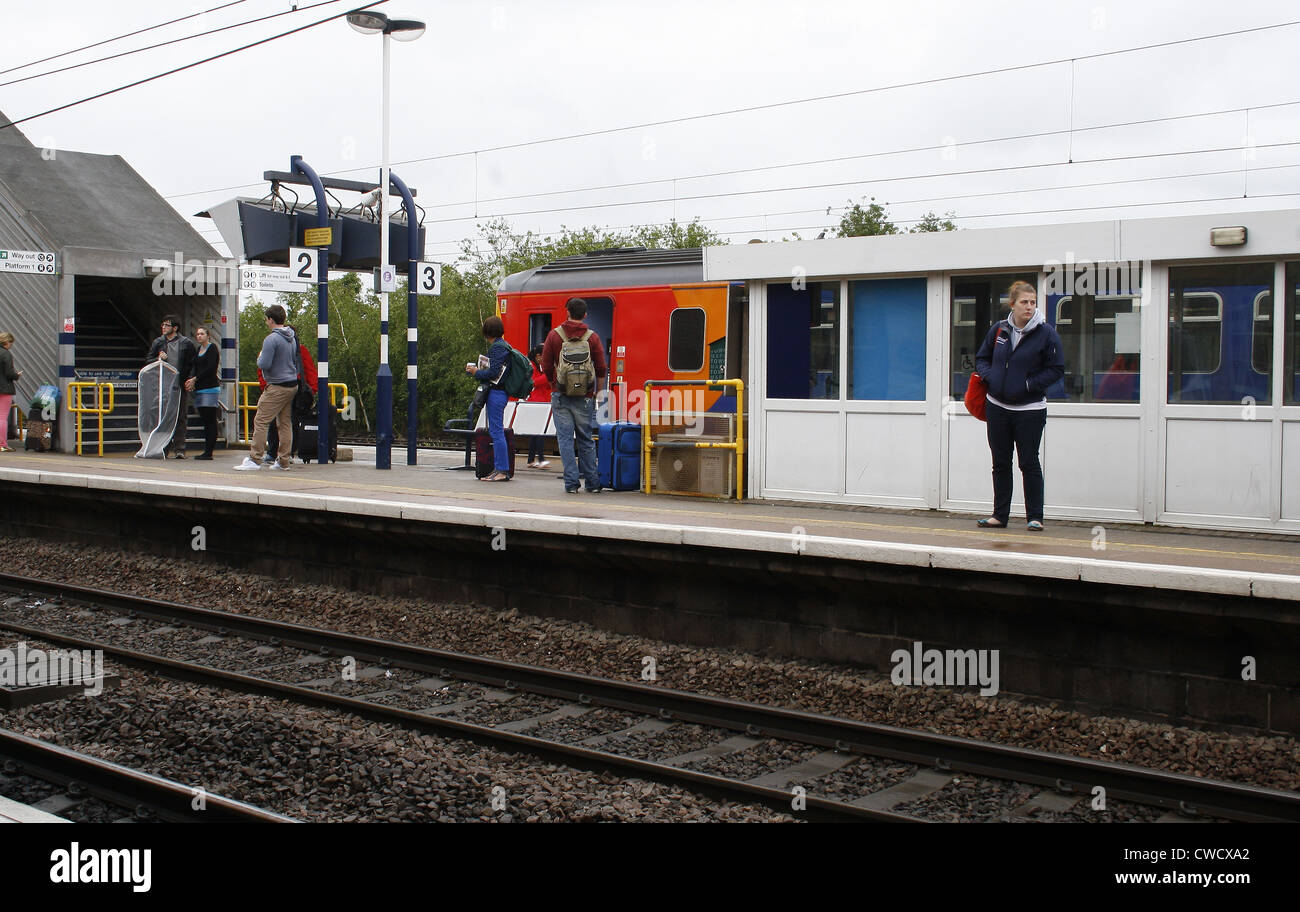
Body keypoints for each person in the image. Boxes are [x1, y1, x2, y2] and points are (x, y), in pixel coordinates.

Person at [973, 281, 1064, 531]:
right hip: (997, 407)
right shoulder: (999, 330)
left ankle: (1035, 517)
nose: (1029, 306)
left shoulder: (1046, 334)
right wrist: (991, 376)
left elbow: (1056, 369)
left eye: (1033, 302)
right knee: (1000, 463)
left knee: (1028, 462)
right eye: (1024, 302)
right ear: (1012, 304)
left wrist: (1027, 385)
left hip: (1030, 410)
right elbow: (982, 358)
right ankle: (999, 515)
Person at [541, 297, 607, 494]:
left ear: (567, 311)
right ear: (585, 314)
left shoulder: (554, 336)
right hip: (584, 395)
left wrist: (555, 383)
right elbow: (601, 368)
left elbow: (545, 365)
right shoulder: (592, 337)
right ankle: (593, 483)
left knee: (565, 440)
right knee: (585, 438)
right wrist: (596, 392)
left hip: (560, 395)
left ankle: (571, 484)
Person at [234, 304, 297, 471]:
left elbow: (264, 364)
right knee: (284, 423)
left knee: (261, 420)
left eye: (266, 319)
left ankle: (255, 459)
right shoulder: (291, 337)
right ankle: (283, 461)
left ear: (270, 319)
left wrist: (260, 357)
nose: (266, 322)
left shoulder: (271, 339)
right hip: (291, 384)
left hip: (276, 386)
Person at [258, 324, 317, 461]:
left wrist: (264, 386)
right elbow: (310, 371)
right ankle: (283, 454)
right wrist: (312, 389)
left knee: (274, 422)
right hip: (293, 389)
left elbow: (262, 367)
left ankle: (271, 454)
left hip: (280, 388)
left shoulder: (274, 345)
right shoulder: (298, 350)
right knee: (287, 423)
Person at [465, 316, 511, 482]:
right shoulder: (503, 345)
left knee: (497, 432)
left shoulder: (498, 348)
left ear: (486, 332)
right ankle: (500, 469)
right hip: (501, 393)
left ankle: (501, 470)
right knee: (496, 431)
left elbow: (494, 373)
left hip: (497, 393)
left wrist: (476, 372)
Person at [146, 315, 196, 458]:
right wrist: (158, 359)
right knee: (163, 417)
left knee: (180, 417)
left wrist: (191, 379)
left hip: (178, 384)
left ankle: (180, 448)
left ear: (175, 328)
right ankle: (163, 447)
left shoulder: (186, 343)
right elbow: (148, 360)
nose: (163, 327)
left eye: (167, 325)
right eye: (163, 325)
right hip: (163, 385)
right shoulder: (158, 342)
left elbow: (192, 363)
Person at [186, 326, 221, 460]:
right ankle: (206, 449)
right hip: (200, 389)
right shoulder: (198, 349)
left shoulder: (212, 349)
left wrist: (196, 378)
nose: (199, 336)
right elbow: (195, 366)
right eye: (197, 334)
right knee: (205, 419)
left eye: (202, 334)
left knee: (210, 419)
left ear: (208, 336)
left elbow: (211, 368)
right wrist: (192, 380)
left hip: (210, 388)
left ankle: (209, 451)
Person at [525, 343, 551, 469]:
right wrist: (548, 376)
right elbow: (534, 382)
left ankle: (531, 460)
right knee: (539, 432)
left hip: (541, 401)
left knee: (536, 432)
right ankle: (540, 459)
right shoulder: (532, 367)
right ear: (538, 356)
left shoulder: (538, 366)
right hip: (536, 402)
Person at [0, 332, 21, 452]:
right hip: (5, 389)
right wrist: (16, 375)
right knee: (2, 417)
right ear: (6, 342)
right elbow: (9, 373)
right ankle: (2, 443)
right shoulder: (6, 354)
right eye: (10, 343)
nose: (10, 346)